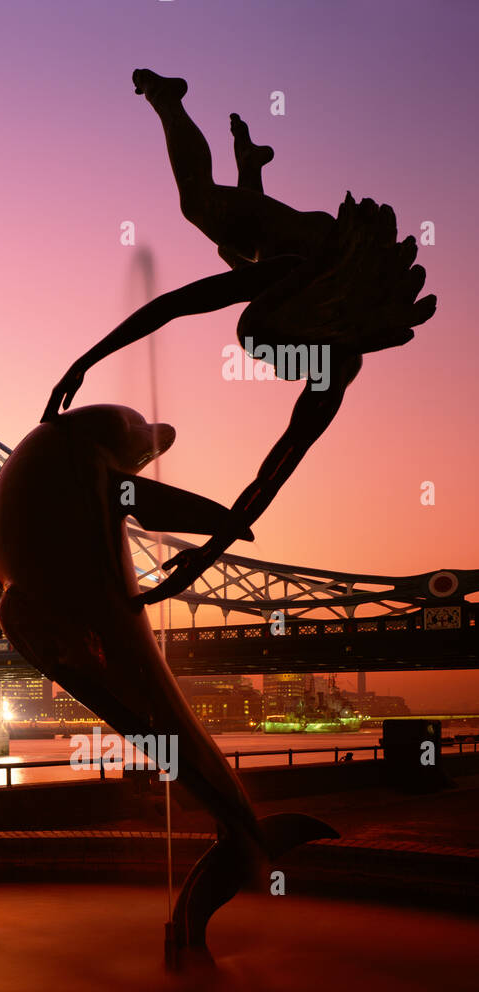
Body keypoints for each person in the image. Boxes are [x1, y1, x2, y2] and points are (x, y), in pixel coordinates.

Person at [46, 70, 436, 604]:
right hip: (308, 241)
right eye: (274, 357)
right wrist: (85, 361)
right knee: (200, 205)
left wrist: (206, 557)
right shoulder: (295, 269)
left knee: (234, 251)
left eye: (282, 364)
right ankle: (169, 99)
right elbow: (176, 304)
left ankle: (250, 165)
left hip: (303, 261)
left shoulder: (335, 371)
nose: (279, 371)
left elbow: (271, 473)